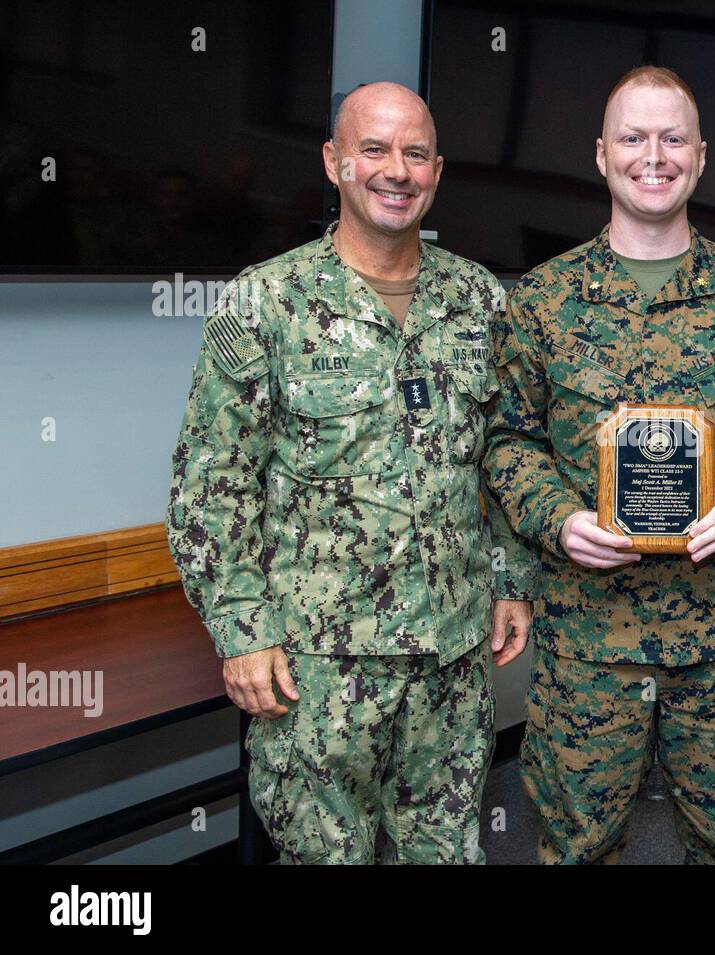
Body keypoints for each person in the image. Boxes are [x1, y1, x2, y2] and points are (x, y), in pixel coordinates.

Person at [167, 82, 534, 864]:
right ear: (335, 162)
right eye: (374, 149)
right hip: (318, 675)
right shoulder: (265, 303)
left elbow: (501, 458)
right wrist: (243, 631)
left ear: (437, 170)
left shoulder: (476, 300)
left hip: (451, 661)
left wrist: (510, 578)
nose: (395, 170)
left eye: (414, 153)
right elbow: (211, 486)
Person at [483, 66, 715, 864]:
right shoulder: (541, 302)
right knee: (578, 847)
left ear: (701, 157)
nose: (653, 155)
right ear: (601, 155)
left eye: (673, 138)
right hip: (588, 640)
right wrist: (557, 519)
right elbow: (507, 440)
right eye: (633, 137)